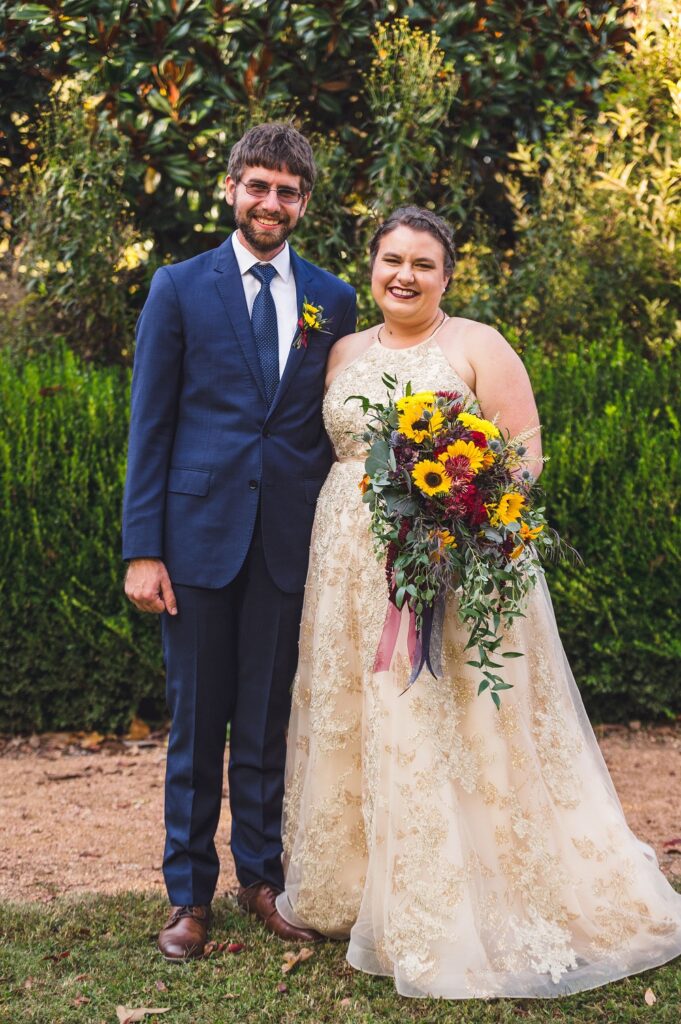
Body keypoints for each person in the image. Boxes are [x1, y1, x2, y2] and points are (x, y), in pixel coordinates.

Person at [275, 206, 681, 998]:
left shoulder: (476, 343)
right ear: (371, 265)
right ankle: (359, 887)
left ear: (446, 275)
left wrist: (465, 511)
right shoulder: (342, 351)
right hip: (351, 566)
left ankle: (459, 894)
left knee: (453, 712)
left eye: (423, 264)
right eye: (392, 259)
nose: (405, 275)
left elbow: (522, 450)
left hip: (453, 567)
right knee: (362, 707)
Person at [122, 122, 356, 960]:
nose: (271, 203)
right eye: (258, 186)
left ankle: (262, 877)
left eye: (287, 191)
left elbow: (332, 427)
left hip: (287, 542)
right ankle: (189, 896)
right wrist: (141, 549)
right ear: (232, 190)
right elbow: (150, 425)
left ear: (303, 202)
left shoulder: (333, 297)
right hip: (195, 540)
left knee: (264, 724)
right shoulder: (180, 287)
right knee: (195, 725)